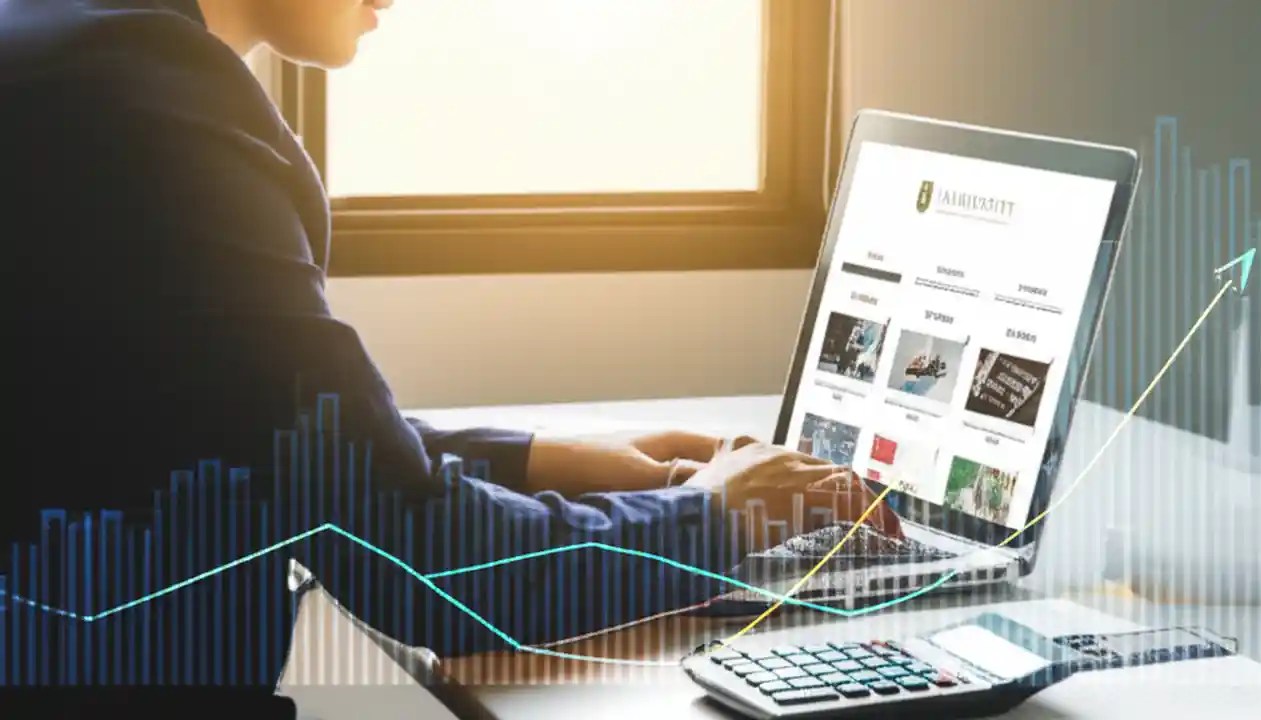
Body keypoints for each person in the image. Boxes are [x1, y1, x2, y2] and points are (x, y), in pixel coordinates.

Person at [0, 0, 900, 684]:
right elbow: (421, 565)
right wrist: (716, 518)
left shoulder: (60, 46)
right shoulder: (140, 101)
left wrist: (566, 460)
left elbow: (267, 428)